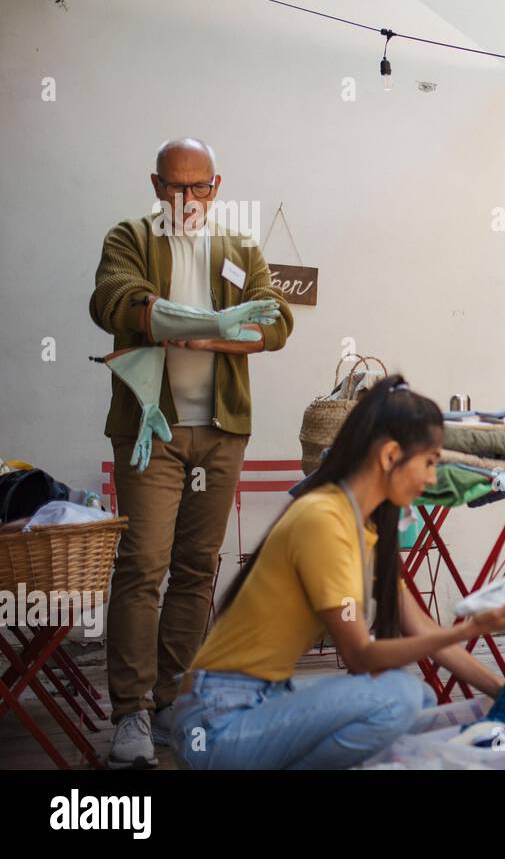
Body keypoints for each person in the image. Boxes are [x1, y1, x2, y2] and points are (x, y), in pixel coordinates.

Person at [170, 376, 505, 770]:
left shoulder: (363, 529)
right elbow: (360, 654)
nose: (431, 478)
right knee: (399, 697)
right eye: (429, 462)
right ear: (390, 456)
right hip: (216, 723)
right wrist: (466, 629)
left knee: (417, 699)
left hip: (265, 702)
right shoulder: (324, 519)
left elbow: (424, 631)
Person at [90, 138, 293, 769]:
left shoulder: (240, 247)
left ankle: (172, 702)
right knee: (143, 567)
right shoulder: (129, 236)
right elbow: (113, 302)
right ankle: (129, 715)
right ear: (156, 186)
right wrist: (213, 327)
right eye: (175, 187)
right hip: (154, 429)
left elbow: (278, 323)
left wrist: (200, 334)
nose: (187, 200)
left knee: (197, 569)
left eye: (199, 187)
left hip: (222, 432)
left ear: (216, 185)